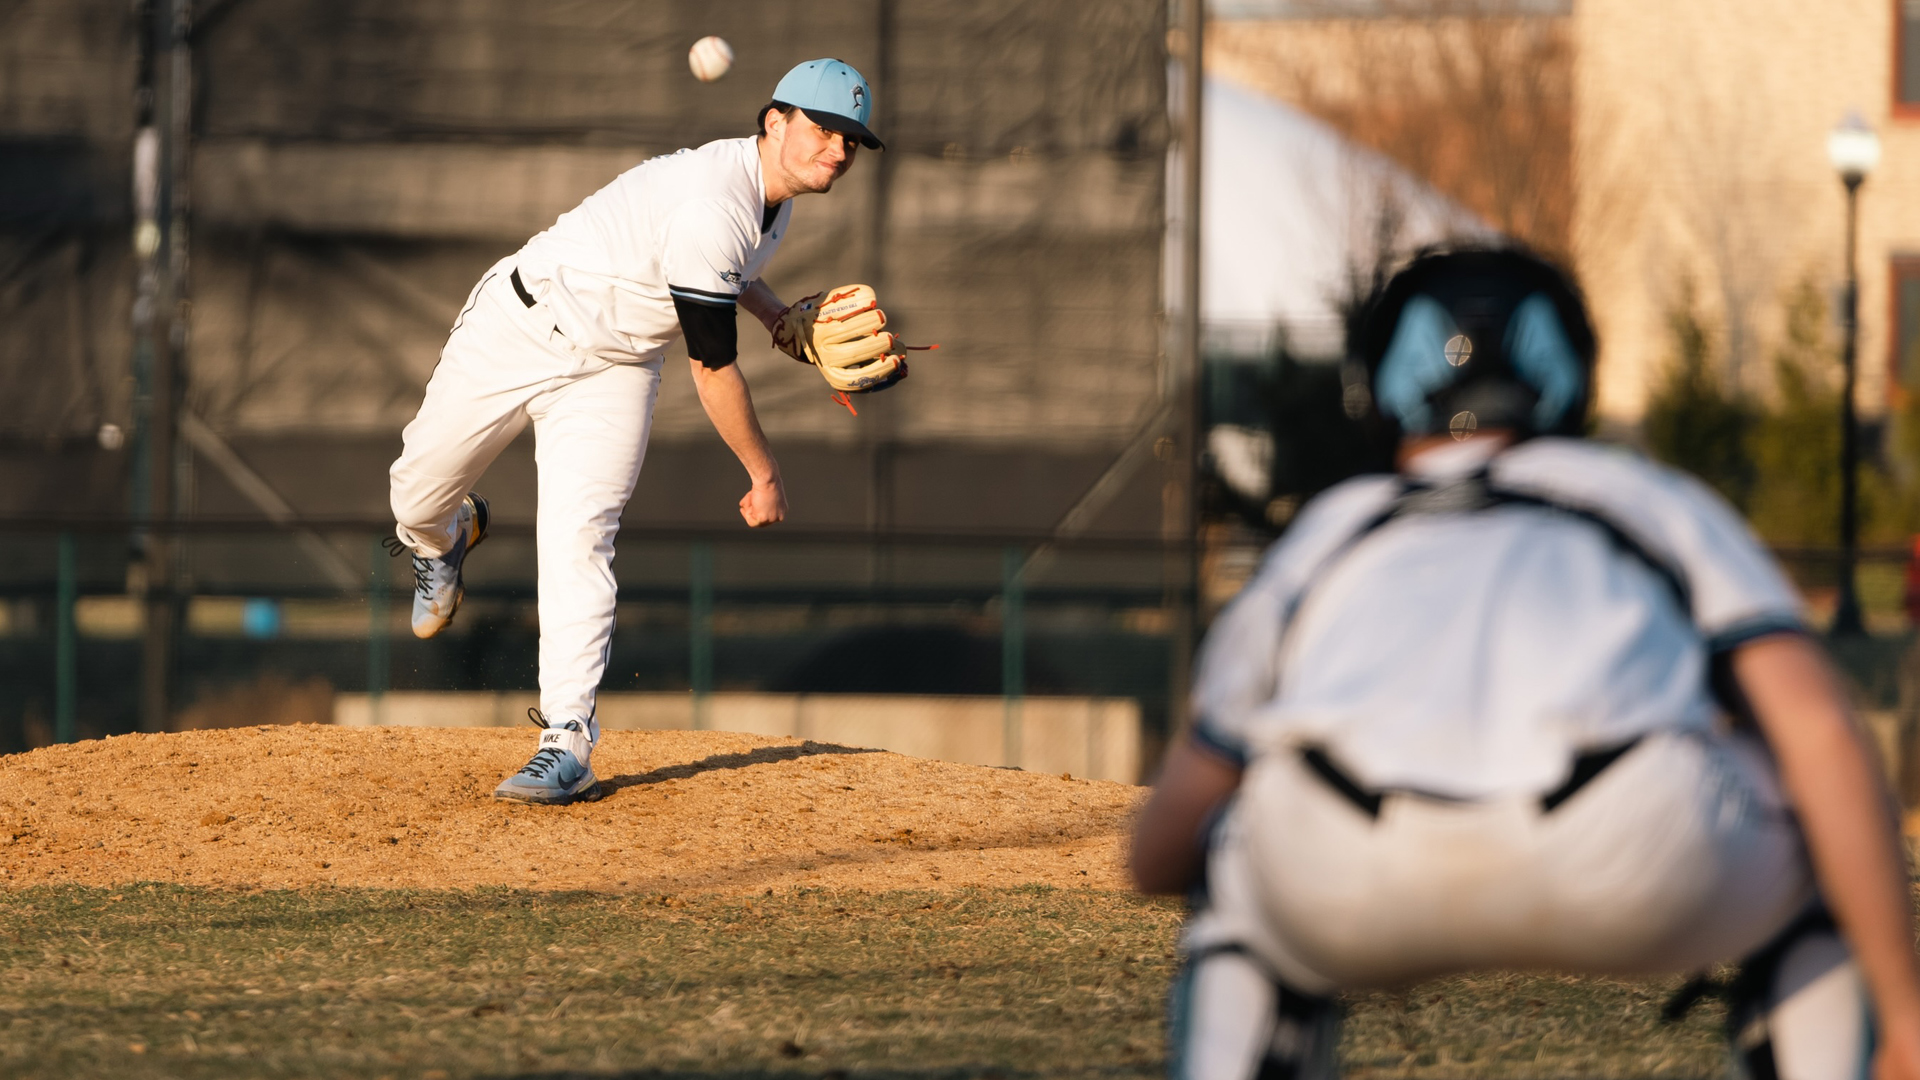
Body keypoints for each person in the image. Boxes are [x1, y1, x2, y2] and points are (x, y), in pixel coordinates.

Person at [1130, 246, 1920, 1080]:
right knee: (1826, 827)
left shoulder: (1333, 527)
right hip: (1630, 839)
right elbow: (1819, 730)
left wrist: (1219, 861)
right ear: (1572, 377)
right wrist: (1906, 1016)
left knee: (1236, 861)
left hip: (1346, 853)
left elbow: (1162, 844)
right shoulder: (1645, 495)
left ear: (1377, 393)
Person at [386, 59, 889, 806]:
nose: (839, 152)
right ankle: (445, 537)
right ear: (774, 122)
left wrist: (776, 315)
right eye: (824, 130)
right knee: (413, 496)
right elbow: (713, 369)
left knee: (580, 535)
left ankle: (566, 741)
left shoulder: (768, 199)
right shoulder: (714, 205)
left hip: (615, 368)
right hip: (523, 324)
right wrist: (764, 472)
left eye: (851, 140)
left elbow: (728, 272)